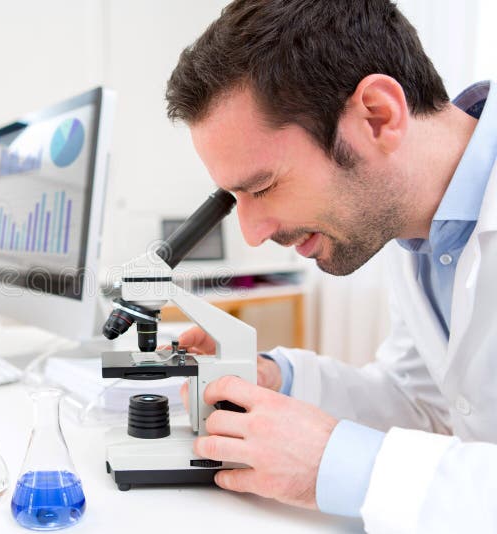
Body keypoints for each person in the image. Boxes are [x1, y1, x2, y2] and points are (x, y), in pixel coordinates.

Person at [165, 1, 497, 532]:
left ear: (378, 116)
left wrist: (340, 466)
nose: (252, 232)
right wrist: (278, 381)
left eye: (264, 186)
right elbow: (427, 405)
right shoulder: (421, 231)